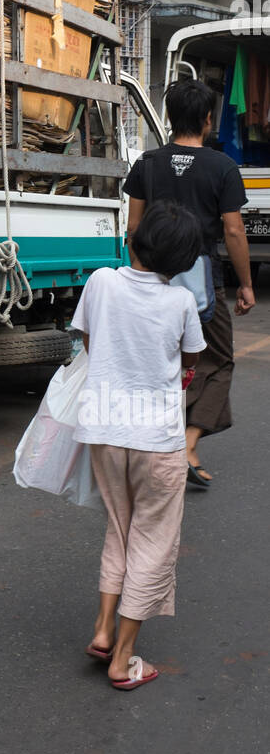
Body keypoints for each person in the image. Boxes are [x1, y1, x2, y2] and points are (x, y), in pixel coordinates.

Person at [72, 202, 206, 690]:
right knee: (152, 540)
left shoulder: (101, 282)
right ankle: (123, 658)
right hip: (157, 440)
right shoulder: (182, 303)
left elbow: (89, 341)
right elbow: (190, 357)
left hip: (105, 433)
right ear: (185, 261)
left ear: (136, 239)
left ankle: (104, 629)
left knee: (121, 527)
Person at [123, 78, 254, 488]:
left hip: (153, 273)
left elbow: (133, 228)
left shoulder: (146, 164)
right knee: (215, 362)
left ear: (169, 117)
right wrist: (246, 285)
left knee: (162, 360)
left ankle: (158, 443)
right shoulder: (223, 168)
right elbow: (233, 231)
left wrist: (139, 278)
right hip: (202, 280)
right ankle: (188, 441)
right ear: (207, 119)